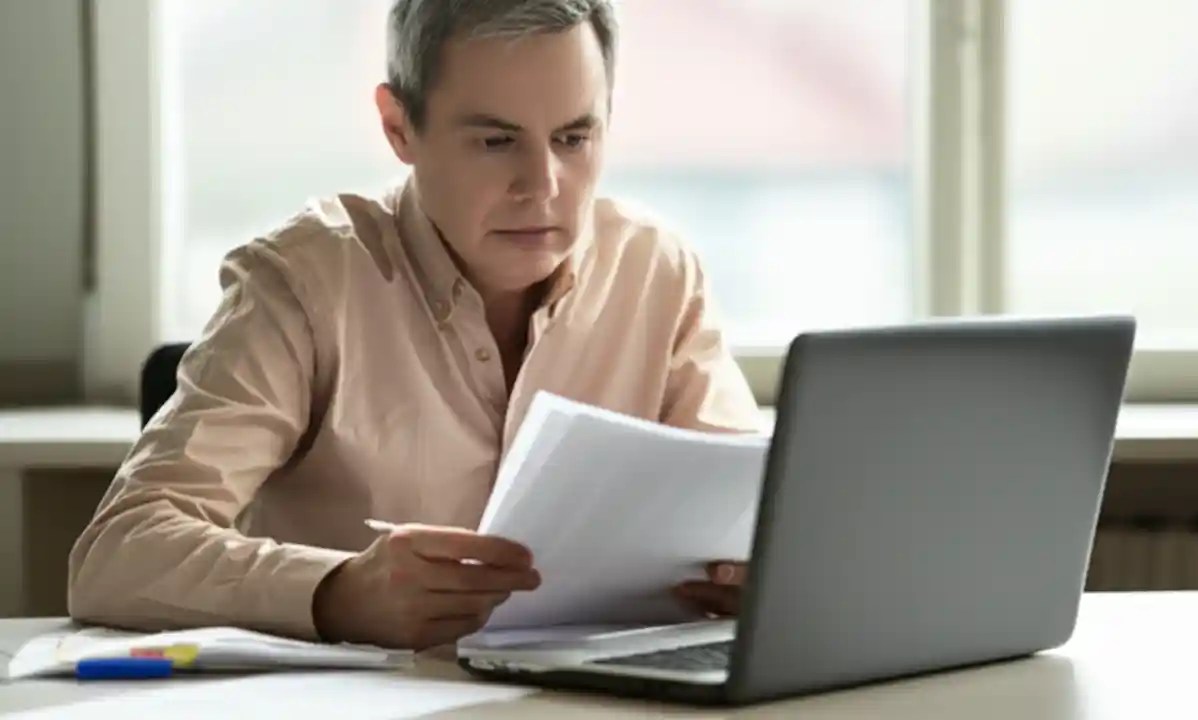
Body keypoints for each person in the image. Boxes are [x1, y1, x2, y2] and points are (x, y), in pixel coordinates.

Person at [68, 0, 760, 650]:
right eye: (496, 141)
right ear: (399, 127)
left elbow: (754, 516)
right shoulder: (304, 282)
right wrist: (337, 592)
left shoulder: (657, 273)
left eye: (573, 138)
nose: (543, 185)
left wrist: (756, 572)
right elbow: (118, 553)